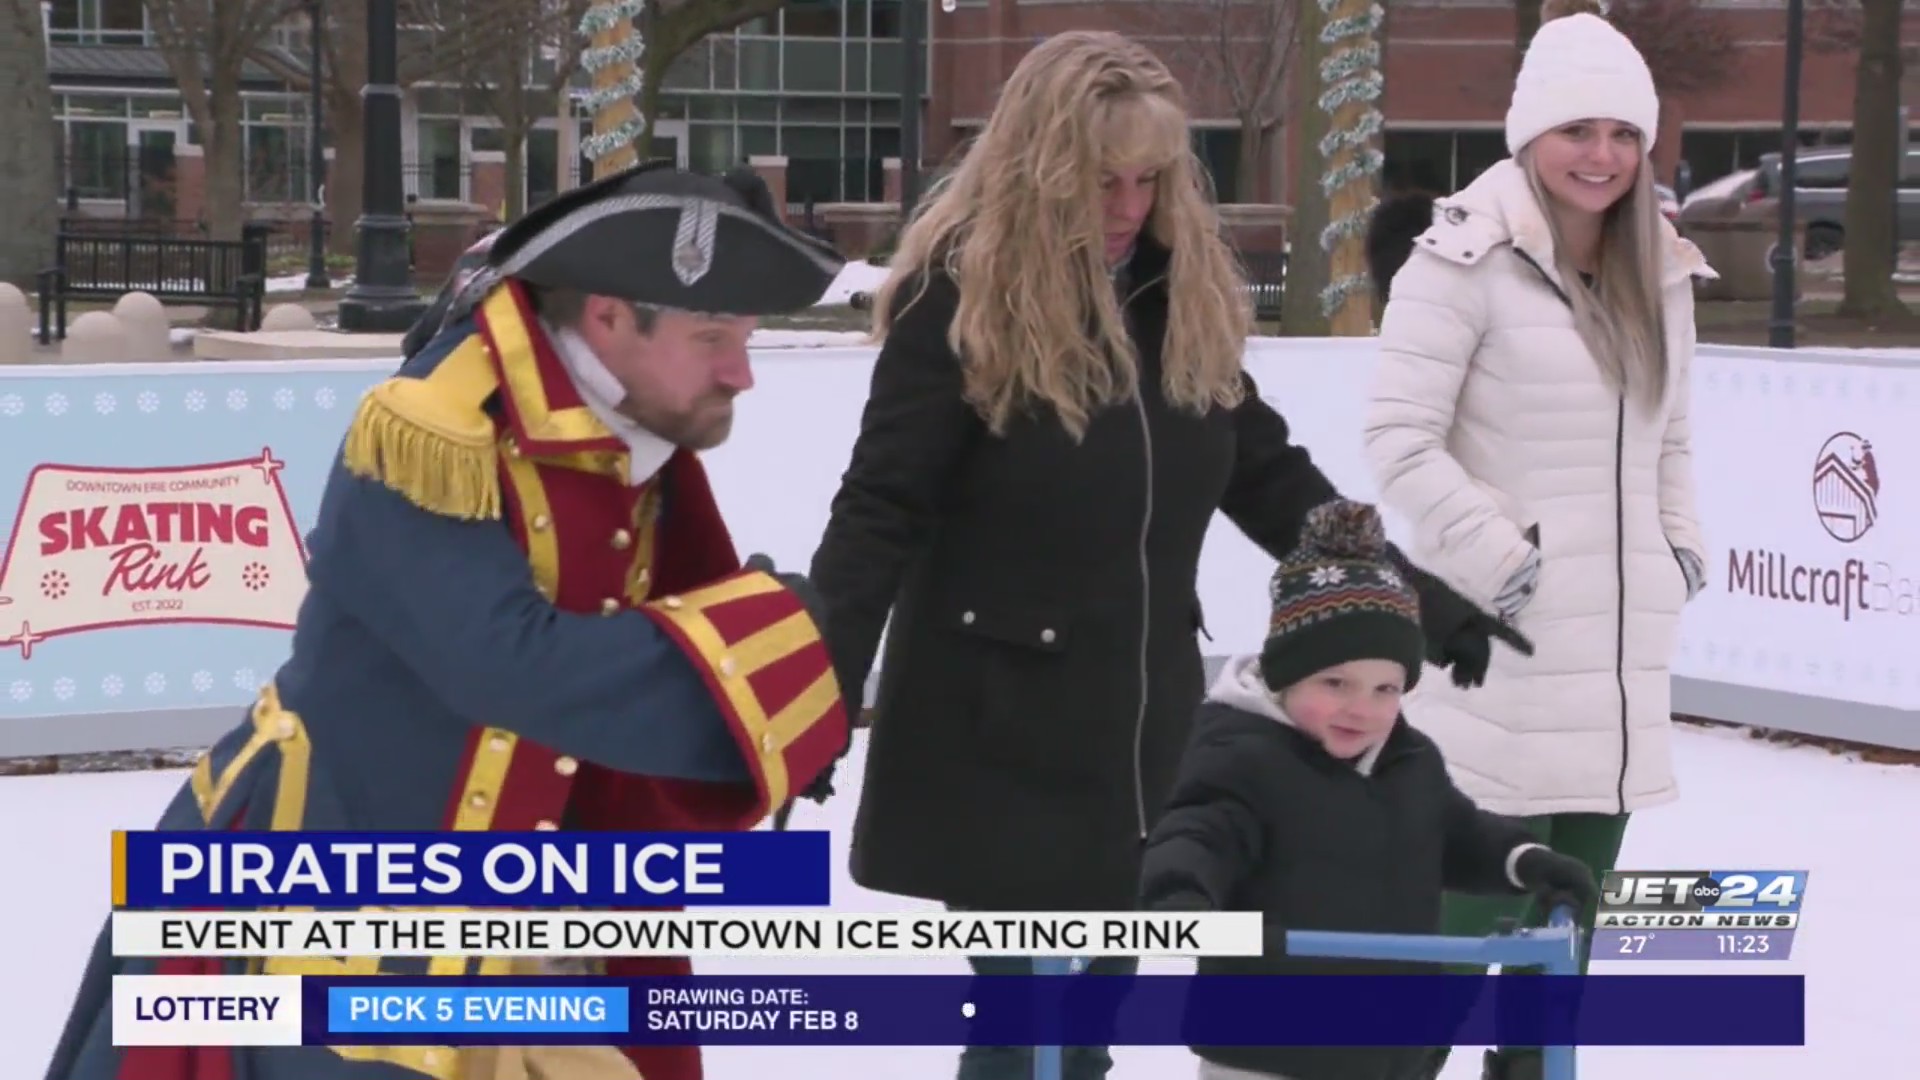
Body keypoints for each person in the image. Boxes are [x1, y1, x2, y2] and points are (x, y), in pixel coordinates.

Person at [804, 29, 1529, 1080]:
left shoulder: (1172, 297)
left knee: (1088, 1025)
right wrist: (823, 686)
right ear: (1041, 169)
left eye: (1150, 179)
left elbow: (1273, 479)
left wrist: (1412, 594)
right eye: (1104, 180)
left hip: (1133, 724)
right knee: (1026, 1032)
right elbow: (880, 508)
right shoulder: (957, 302)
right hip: (995, 726)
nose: (1130, 206)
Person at [43, 162, 855, 1080]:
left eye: (746, 337)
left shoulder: (630, 424)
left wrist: (763, 706)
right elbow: (509, 666)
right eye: (714, 336)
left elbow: (668, 641)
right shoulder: (430, 430)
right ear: (608, 317)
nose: (740, 373)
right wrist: (762, 664)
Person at [1360, 1, 1714, 1077]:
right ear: (1529, 136)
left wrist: (1679, 552)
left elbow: (1673, 441)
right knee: (1445, 970)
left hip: (1610, 694)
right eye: (1578, 130)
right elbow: (1397, 438)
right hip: (1499, 682)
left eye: (1623, 134)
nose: (1601, 156)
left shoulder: (1660, 270)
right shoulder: (1462, 257)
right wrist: (1504, 560)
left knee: (1555, 983)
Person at [1138, 499, 1599, 1080]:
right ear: (1285, 675)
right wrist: (1183, 896)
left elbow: (1455, 832)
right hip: (1268, 1051)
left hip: (1389, 1049)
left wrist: (1524, 860)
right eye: (1336, 683)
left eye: (1386, 689)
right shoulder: (1242, 760)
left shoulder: (1407, 760)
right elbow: (1198, 832)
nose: (1363, 708)